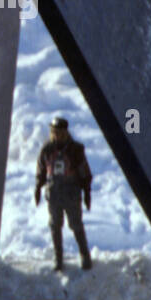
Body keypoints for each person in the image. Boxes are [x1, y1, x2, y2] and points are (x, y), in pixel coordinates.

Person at [34, 116, 93, 271]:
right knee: (55, 226)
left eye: (60, 132)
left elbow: (84, 172)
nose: (57, 135)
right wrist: (38, 186)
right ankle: (58, 258)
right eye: (54, 132)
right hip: (54, 192)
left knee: (76, 224)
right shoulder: (47, 149)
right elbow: (40, 169)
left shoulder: (76, 150)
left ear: (66, 132)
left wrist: (87, 192)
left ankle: (84, 255)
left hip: (71, 192)